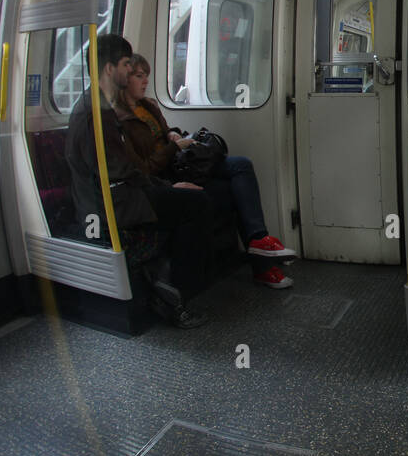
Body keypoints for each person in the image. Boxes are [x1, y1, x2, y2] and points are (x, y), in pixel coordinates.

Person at [113, 53, 296, 290]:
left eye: (146, 76)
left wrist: (172, 134)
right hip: (166, 174)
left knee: (241, 165)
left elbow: (165, 131)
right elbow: (144, 167)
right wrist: (173, 147)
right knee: (231, 187)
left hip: (180, 162)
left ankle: (259, 240)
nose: (145, 82)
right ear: (125, 79)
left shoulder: (149, 106)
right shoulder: (120, 120)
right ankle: (261, 264)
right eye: (139, 76)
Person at [65, 34, 211, 327]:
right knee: (197, 203)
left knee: (190, 198)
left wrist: (166, 188)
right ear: (109, 69)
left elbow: (125, 170)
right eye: (124, 64)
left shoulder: (99, 107)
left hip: (120, 193)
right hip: (109, 205)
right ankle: (174, 297)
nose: (128, 71)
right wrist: (168, 187)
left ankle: (171, 286)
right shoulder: (96, 115)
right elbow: (121, 173)